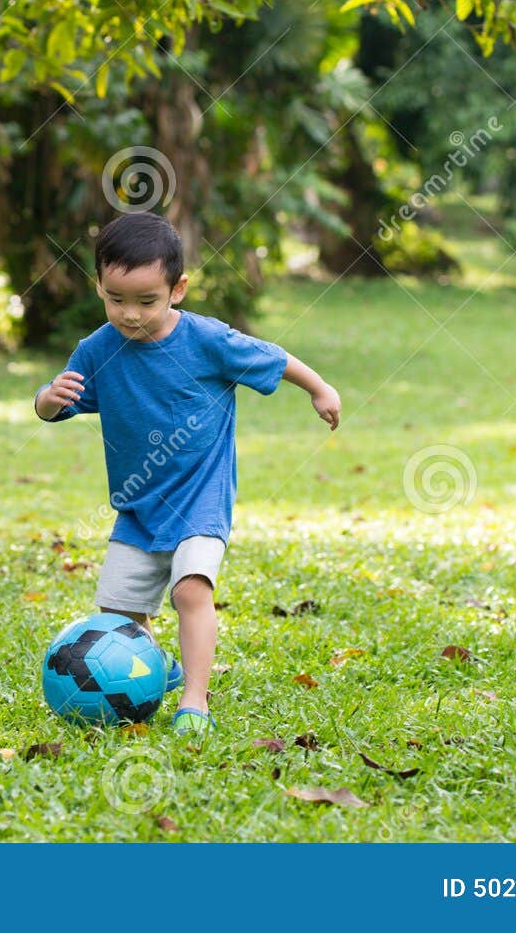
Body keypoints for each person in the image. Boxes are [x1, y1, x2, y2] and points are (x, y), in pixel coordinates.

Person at [34, 213, 341, 739]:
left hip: (201, 497)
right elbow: (61, 404)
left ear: (177, 290)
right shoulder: (97, 348)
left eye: (146, 301)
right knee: (121, 612)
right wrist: (45, 401)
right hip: (137, 505)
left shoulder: (207, 340)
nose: (129, 314)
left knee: (190, 591)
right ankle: (158, 667)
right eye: (115, 299)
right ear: (100, 288)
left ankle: (194, 699)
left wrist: (319, 388)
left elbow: (274, 357)